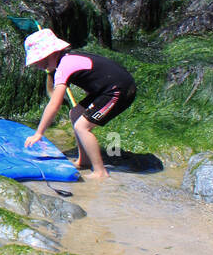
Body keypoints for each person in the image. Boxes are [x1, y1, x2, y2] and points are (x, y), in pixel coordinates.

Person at [23, 28, 137, 180]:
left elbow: (54, 104)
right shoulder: (65, 59)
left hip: (119, 90)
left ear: (51, 54)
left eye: (39, 61)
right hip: (106, 89)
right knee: (75, 113)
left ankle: (100, 172)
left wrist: (39, 133)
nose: (38, 66)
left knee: (82, 126)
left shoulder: (64, 66)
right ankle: (84, 160)